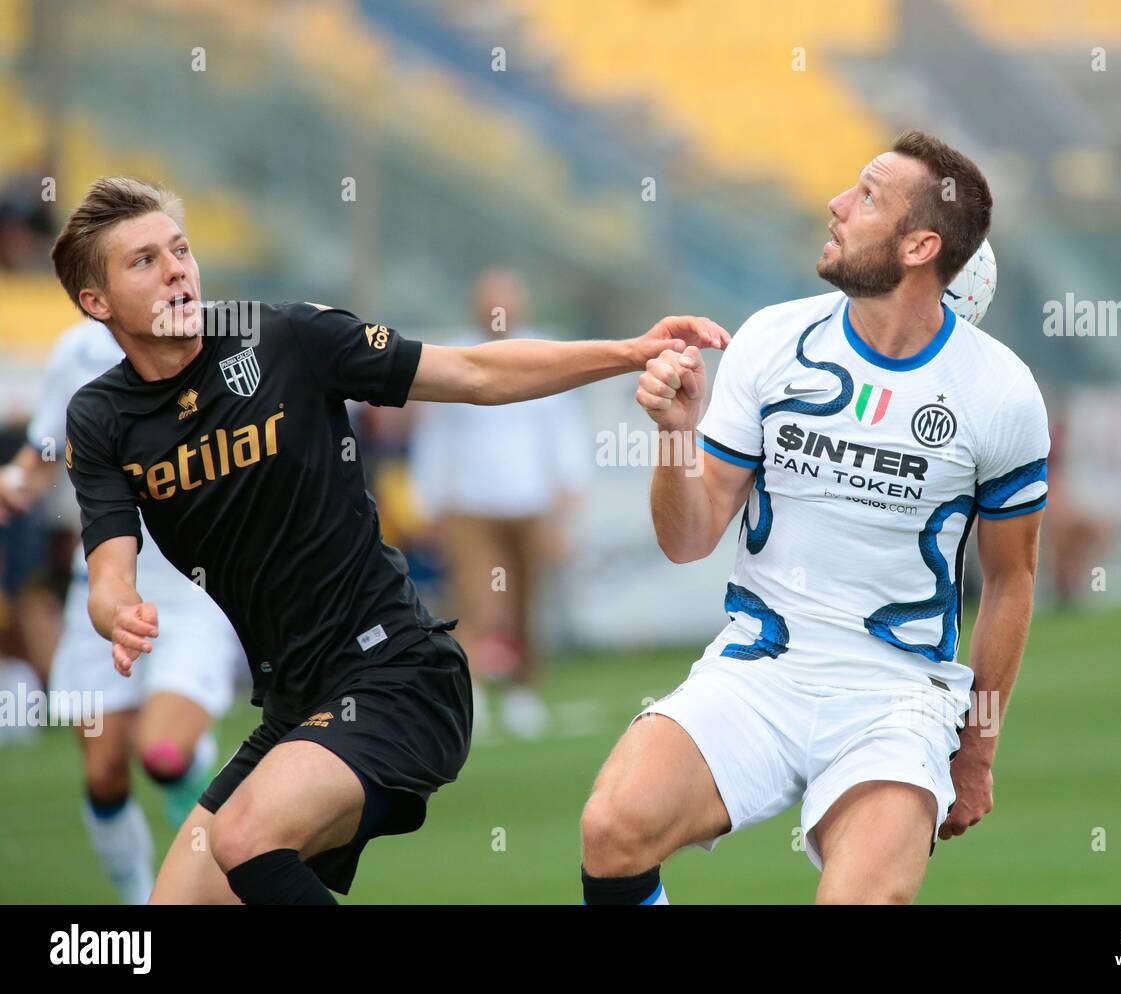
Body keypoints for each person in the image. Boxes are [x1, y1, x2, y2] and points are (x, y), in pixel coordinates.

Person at [53, 176, 728, 904]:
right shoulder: (100, 418)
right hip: (294, 704)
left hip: (396, 674)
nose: (177, 268)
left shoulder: (282, 335)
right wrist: (117, 612)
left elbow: (472, 372)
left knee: (245, 834)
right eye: (144, 261)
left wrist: (630, 351)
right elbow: (110, 570)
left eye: (180, 249)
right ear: (97, 301)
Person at [580, 130, 1049, 905]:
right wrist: (676, 435)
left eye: (866, 196)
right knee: (612, 828)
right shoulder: (772, 338)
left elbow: (1012, 581)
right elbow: (688, 538)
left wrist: (977, 751)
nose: (834, 205)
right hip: (760, 668)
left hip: (897, 697)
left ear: (920, 246)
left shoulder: (1001, 392)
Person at [0, 316, 244, 903]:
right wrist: (15, 482)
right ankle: (138, 900)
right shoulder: (78, 353)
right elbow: (44, 448)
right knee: (105, 772)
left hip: (194, 594)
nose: (168, 273)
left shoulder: (221, 337)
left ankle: (205, 844)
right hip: (103, 592)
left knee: (162, 752)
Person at [409, 269, 590, 739]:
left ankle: (522, 692)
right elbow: (435, 437)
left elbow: (564, 434)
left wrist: (567, 500)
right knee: (472, 603)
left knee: (529, 601)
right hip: (469, 504)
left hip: (531, 502)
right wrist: (429, 502)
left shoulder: (545, 353)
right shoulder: (454, 355)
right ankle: (471, 694)